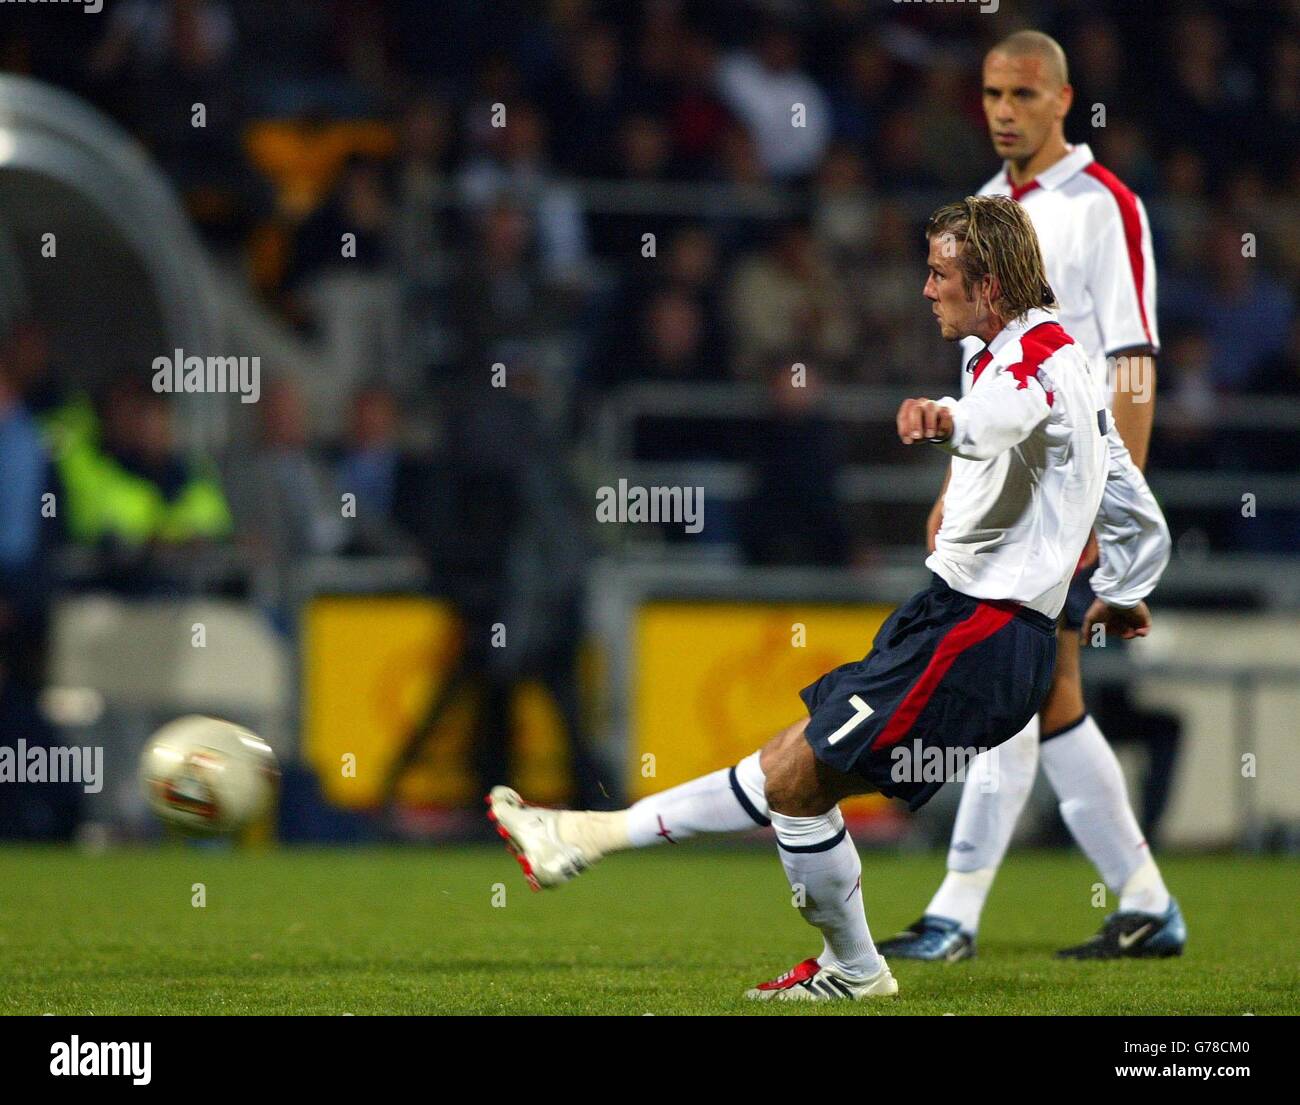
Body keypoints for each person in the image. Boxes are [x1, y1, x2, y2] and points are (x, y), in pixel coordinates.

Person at [487, 195, 1174, 1002]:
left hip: (980, 634)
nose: (925, 289)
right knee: (795, 766)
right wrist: (1124, 590)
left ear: (987, 283)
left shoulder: (1026, 363)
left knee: (794, 782)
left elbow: (996, 416)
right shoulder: (1066, 362)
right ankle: (580, 837)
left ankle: (837, 959)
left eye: (940, 273)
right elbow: (1129, 497)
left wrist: (945, 417)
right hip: (961, 624)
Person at [878, 30, 1184, 963]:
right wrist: (954, 482)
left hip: (1064, 494)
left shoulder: (1106, 208)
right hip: (1003, 494)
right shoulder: (979, 210)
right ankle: (1144, 901)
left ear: (1063, 99)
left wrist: (1107, 504)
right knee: (1043, 690)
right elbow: (982, 369)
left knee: (1022, 682)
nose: (1003, 110)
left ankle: (957, 912)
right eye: (990, 93)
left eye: (1020, 93)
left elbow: (1131, 365)